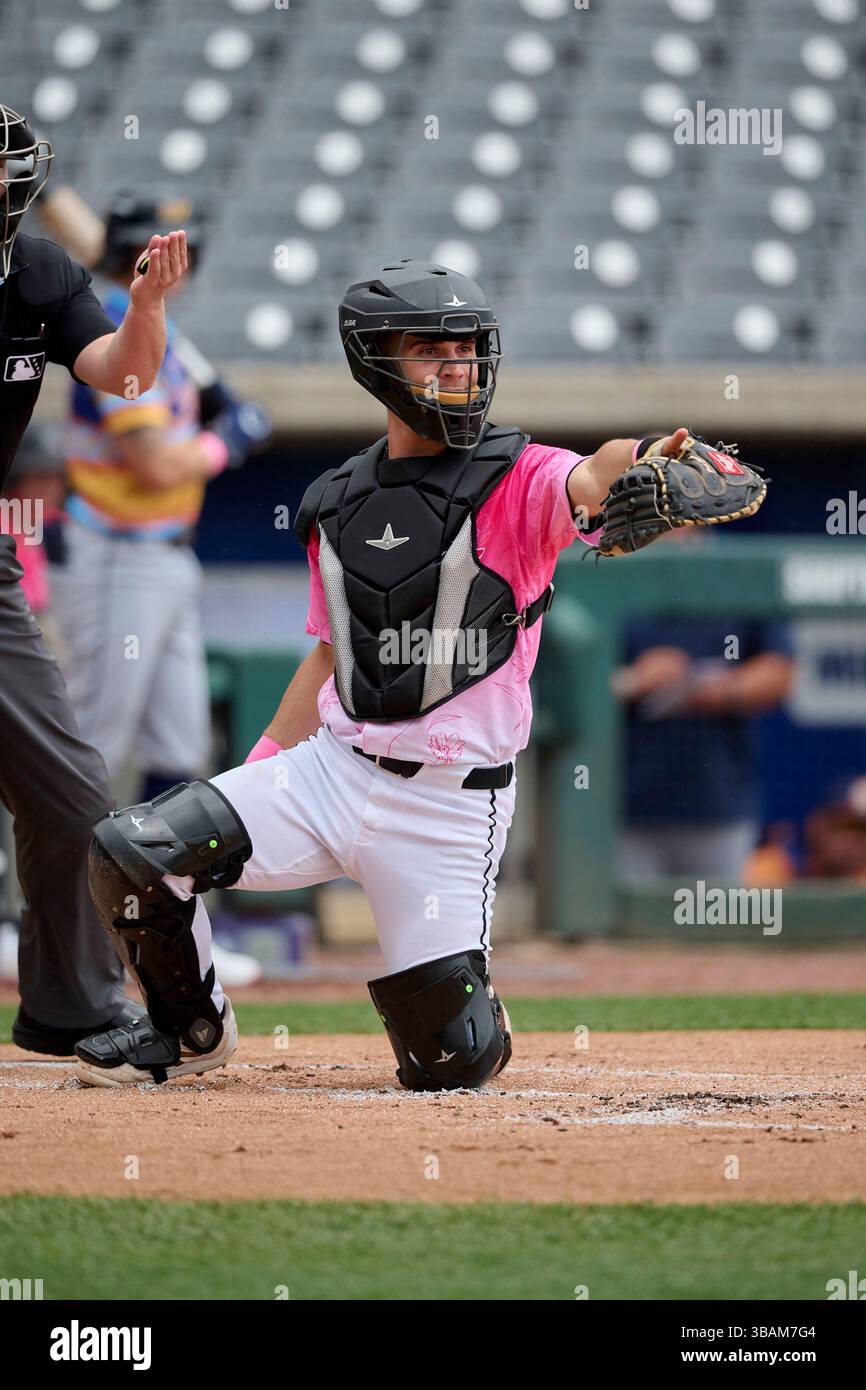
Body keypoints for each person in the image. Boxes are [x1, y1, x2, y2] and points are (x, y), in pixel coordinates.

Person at [73, 257, 696, 1089]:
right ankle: (188, 1029)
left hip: (446, 806)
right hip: (330, 769)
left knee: (451, 1064)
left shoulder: (519, 475)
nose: (457, 367)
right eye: (430, 350)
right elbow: (330, 656)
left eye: (468, 349)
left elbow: (594, 472)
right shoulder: (333, 500)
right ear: (377, 361)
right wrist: (257, 778)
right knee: (135, 850)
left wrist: (645, 457)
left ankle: (474, 1006)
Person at [0, 103, 188, 1053]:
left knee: (73, 793)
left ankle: (69, 1002)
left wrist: (145, 307)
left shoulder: (38, 273)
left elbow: (122, 377)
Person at [45, 194, 269, 989]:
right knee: (92, 751)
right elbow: (156, 465)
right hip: (115, 557)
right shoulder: (109, 329)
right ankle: (48, 930)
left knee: (180, 754)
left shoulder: (161, 335)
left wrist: (218, 414)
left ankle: (177, 937)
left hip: (169, 558)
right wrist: (228, 437)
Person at [614, 603, 795, 883]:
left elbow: (779, 670)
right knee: (624, 925)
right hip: (622, 808)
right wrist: (633, 680)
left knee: (712, 922)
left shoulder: (738, 574)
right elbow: (564, 679)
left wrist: (720, 690)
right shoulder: (611, 569)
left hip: (717, 805)